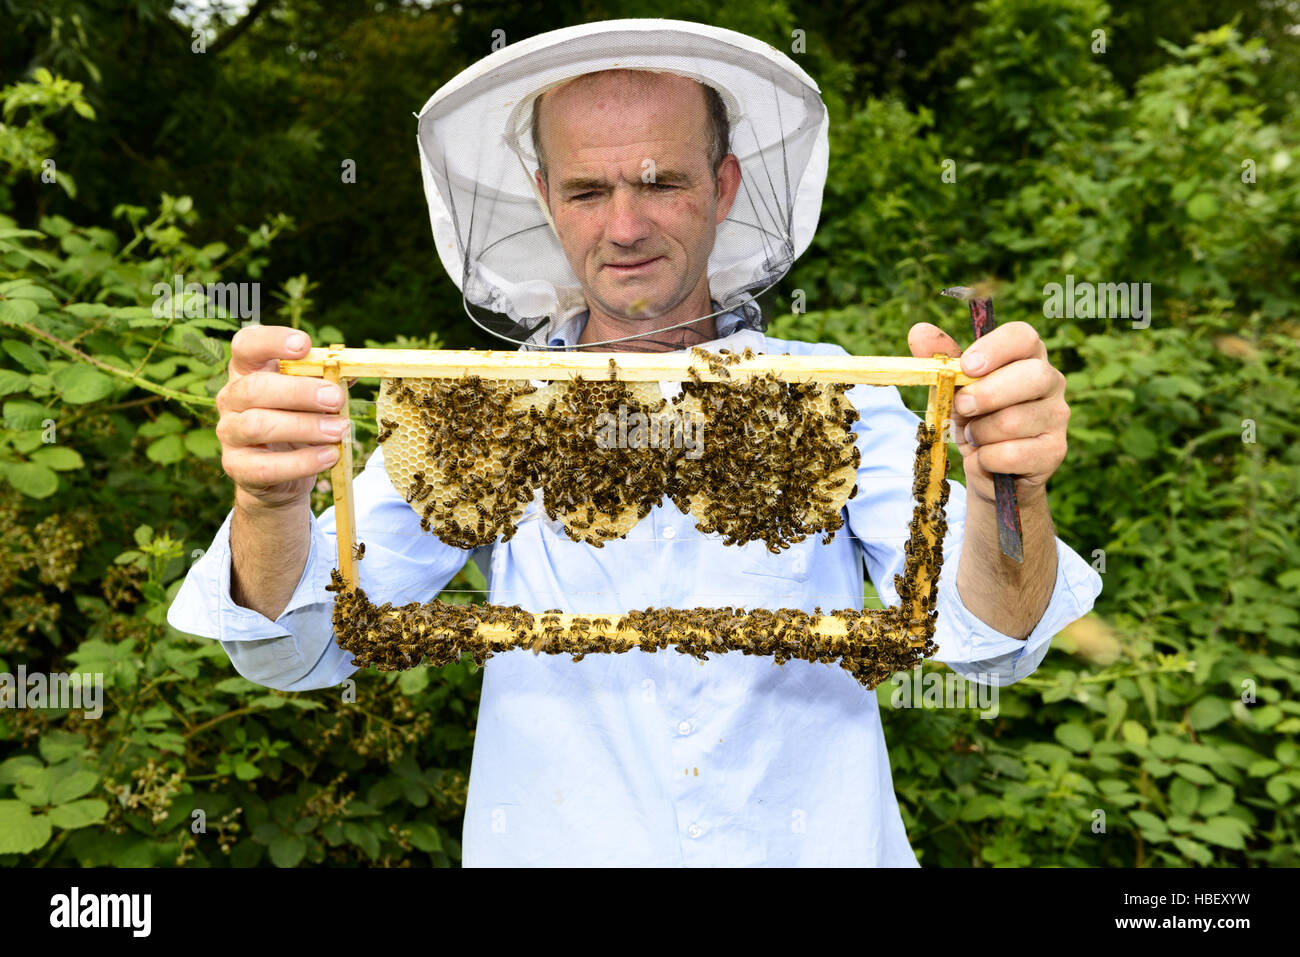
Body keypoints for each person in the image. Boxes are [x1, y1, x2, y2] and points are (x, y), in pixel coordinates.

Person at [169, 20, 1101, 866]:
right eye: (587, 189)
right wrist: (270, 500)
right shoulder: (488, 413)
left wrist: (1001, 490)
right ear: (544, 195)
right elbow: (291, 651)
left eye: (661, 181)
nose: (623, 226)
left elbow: (989, 639)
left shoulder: (838, 393)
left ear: (724, 184)